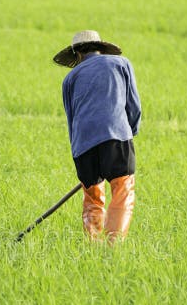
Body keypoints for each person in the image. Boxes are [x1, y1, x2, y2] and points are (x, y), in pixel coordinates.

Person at [53, 30, 141, 243]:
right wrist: (131, 131)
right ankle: (114, 247)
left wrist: (80, 155)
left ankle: (92, 245)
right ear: (100, 48)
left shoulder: (69, 79)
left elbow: (71, 119)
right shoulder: (120, 64)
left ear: (77, 55)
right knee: (122, 189)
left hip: (82, 146)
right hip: (116, 136)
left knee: (92, 197)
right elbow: (134, 107)